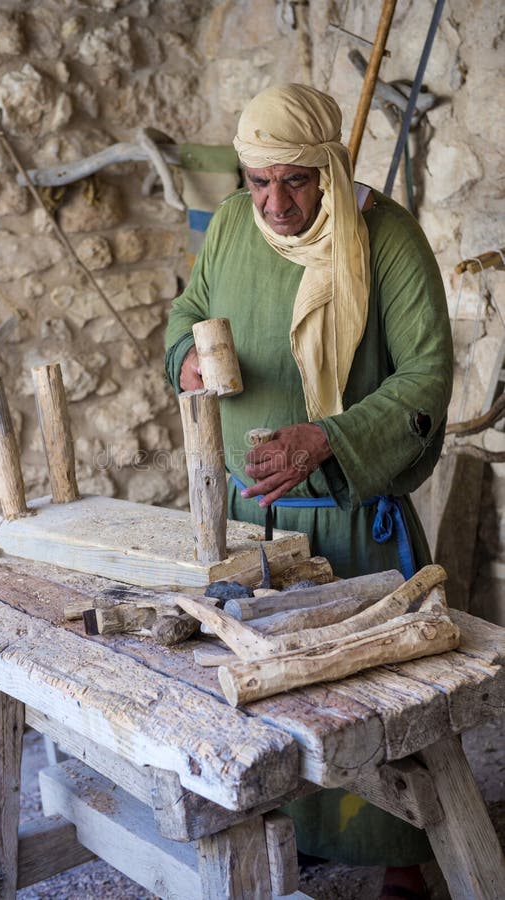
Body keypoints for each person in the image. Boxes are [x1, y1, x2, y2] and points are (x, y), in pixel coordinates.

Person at [165, 83, 452, 900]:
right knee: (266, 700)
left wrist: (326, 436)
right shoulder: (227, 227)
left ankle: (402, 859)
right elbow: (186, 311)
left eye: (295, 180)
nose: (276, 203)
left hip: (352, 522)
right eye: (258, 181)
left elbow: (427, 377)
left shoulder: (387, 238)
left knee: (372, 706)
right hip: (251, 522)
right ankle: (303, 834)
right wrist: (183, 353)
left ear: (330, 166)